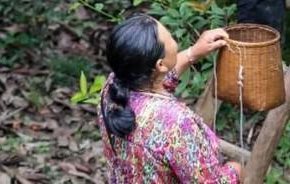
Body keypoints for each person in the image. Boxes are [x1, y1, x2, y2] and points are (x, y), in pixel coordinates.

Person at [99, 14, 240, 183]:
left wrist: (193, 53)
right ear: (159, 65)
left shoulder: (111, 89)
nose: (174, 39)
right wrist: (236, 170)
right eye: (171, 37)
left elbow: (158, 77)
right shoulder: (177, 123)